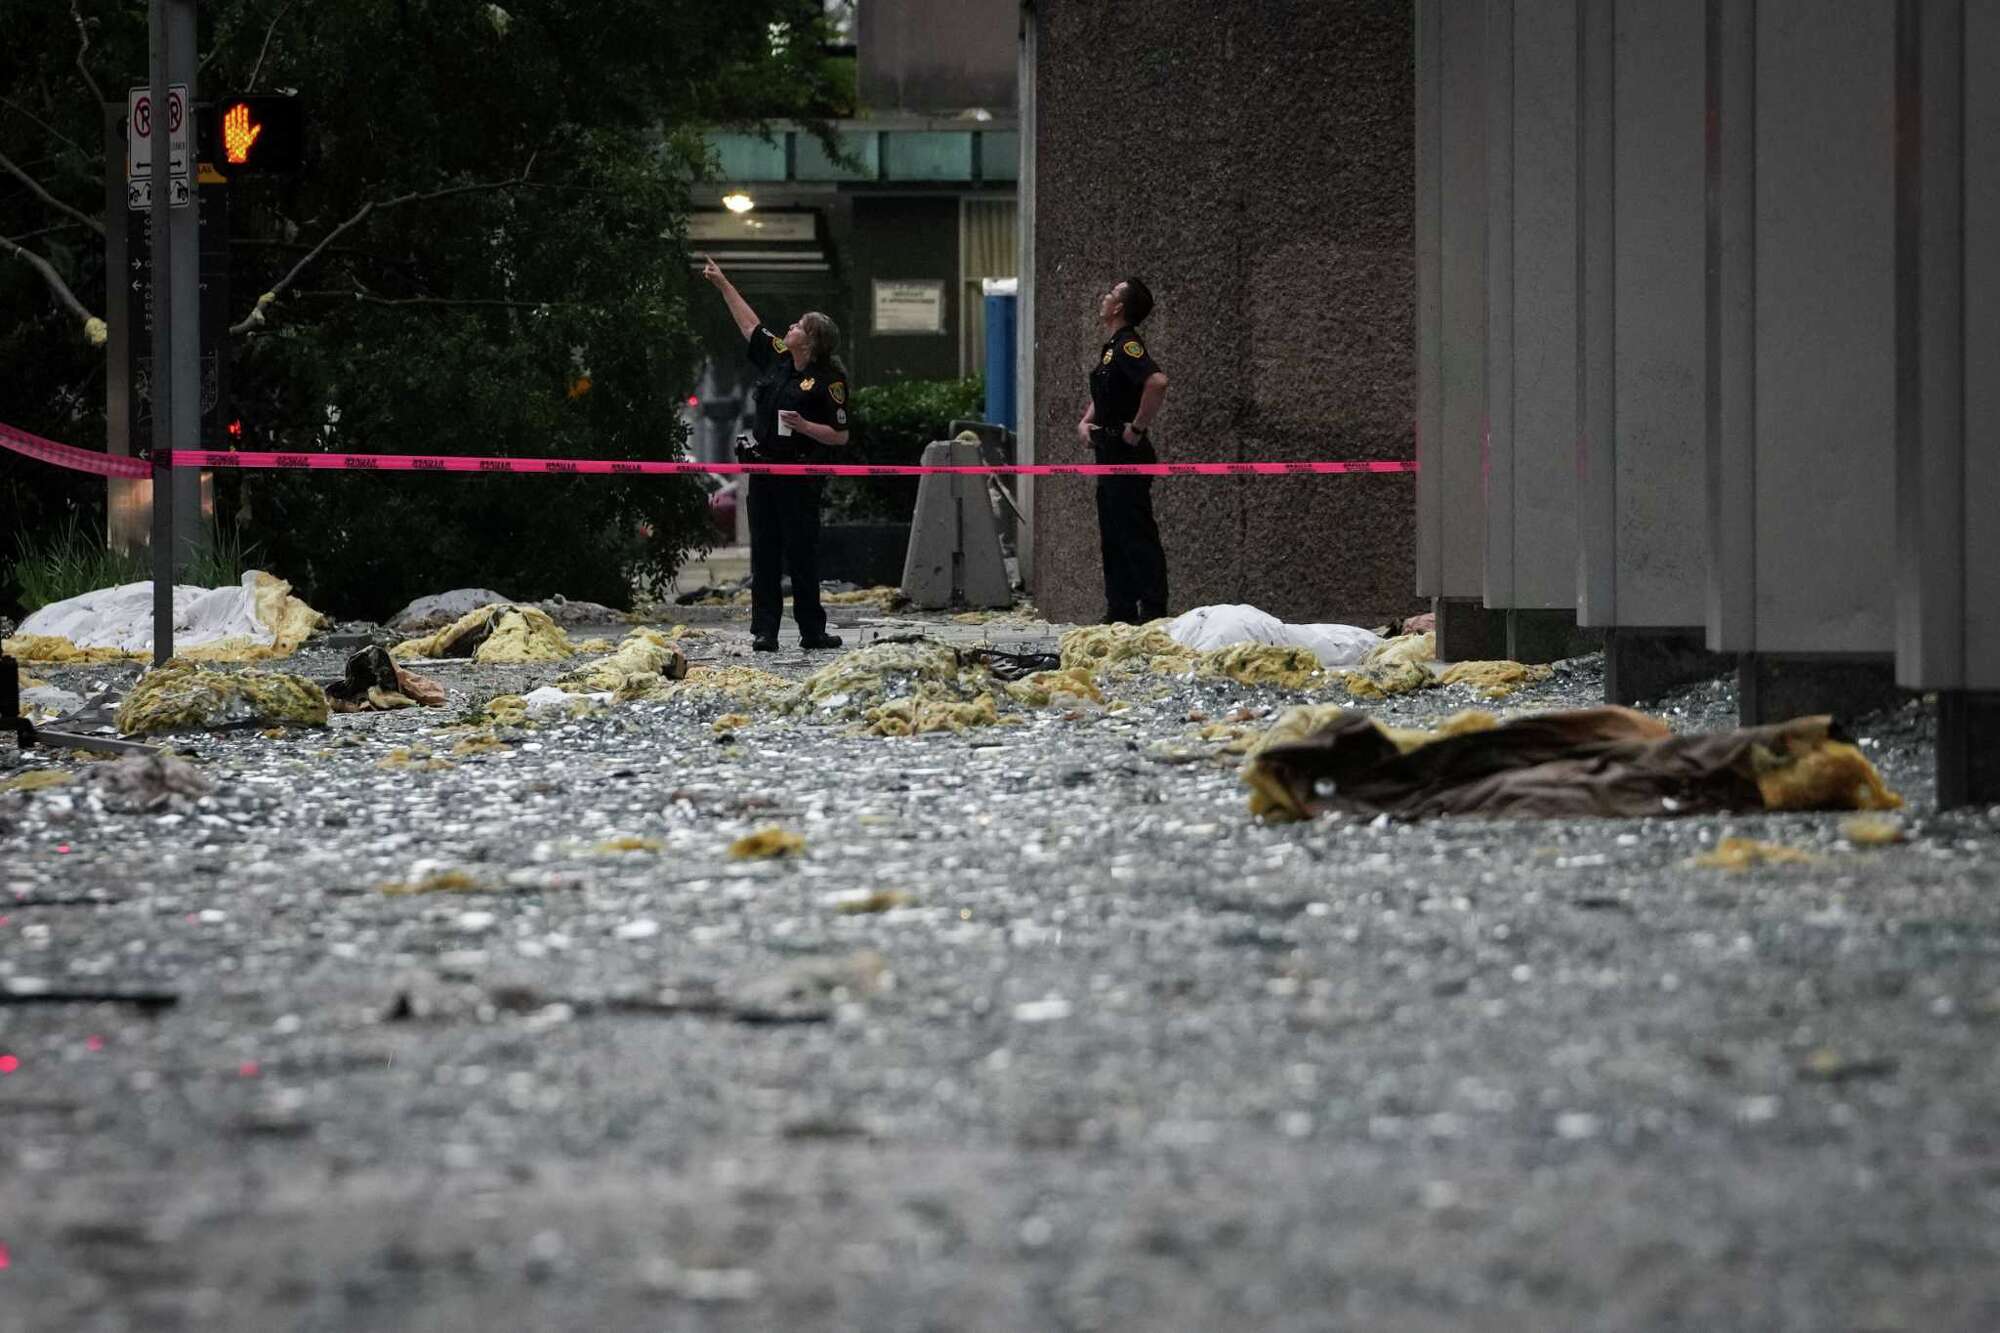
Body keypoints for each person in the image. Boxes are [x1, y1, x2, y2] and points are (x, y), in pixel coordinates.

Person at [701, 255, 851, 652]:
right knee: (764, 555)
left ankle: (812, 631)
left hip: (800, 477)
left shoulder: (828, 382)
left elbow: (839, 436)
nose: (792, 327)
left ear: (813, 340)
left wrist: (805, 427)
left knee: (802, 554)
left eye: (800, 326)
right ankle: (765, 632)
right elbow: (750, 325)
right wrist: (723, 285)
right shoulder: (781, 358)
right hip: (765, 473)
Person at [1076, 276, 1171, 623]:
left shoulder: (1129, 344)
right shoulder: (1112, 347)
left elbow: (1156, 382)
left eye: (1111, 294)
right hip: (1108, 452)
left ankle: (1153, 612)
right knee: (1113, 536)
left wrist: (1138, 427)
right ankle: (1119, 611)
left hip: (1127, 453)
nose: (1104, 297)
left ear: (1119, 307)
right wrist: (1087, 421)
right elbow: (1106, 392)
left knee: (1135, 535)